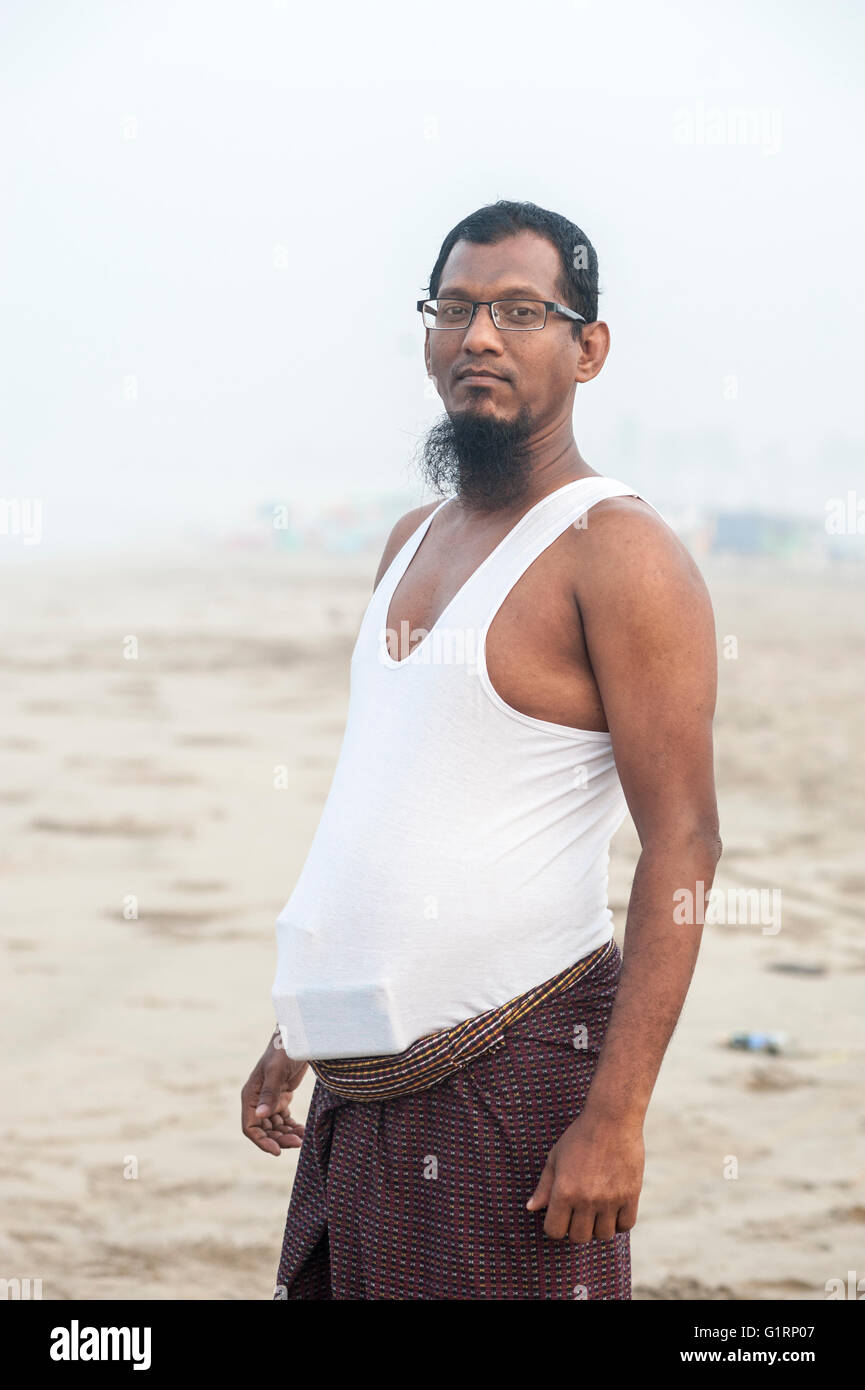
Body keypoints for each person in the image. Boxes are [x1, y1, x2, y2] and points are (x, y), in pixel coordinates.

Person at [241, 200, 722, 1300]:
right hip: (359, 1087)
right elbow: (394, 803)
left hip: (515, 1074)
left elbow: (686, 844)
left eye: (519, 310)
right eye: (453, 309)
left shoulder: (620, 551)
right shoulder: (409, 541)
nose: (479, 338)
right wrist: (303, 1022)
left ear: (587, 347)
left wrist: (616, 1114)